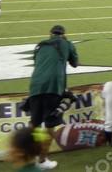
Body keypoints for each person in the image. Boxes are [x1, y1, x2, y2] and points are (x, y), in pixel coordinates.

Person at [27, 24, 79, 169]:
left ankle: (33, 155)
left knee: (35, 123)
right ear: (63, 34)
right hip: (53, 86)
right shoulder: (66, 44)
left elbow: (37, 64)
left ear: (50, 34)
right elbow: (75, 63)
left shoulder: (39, 46)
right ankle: (42, 160)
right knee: (50, 124)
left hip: (35, 86)